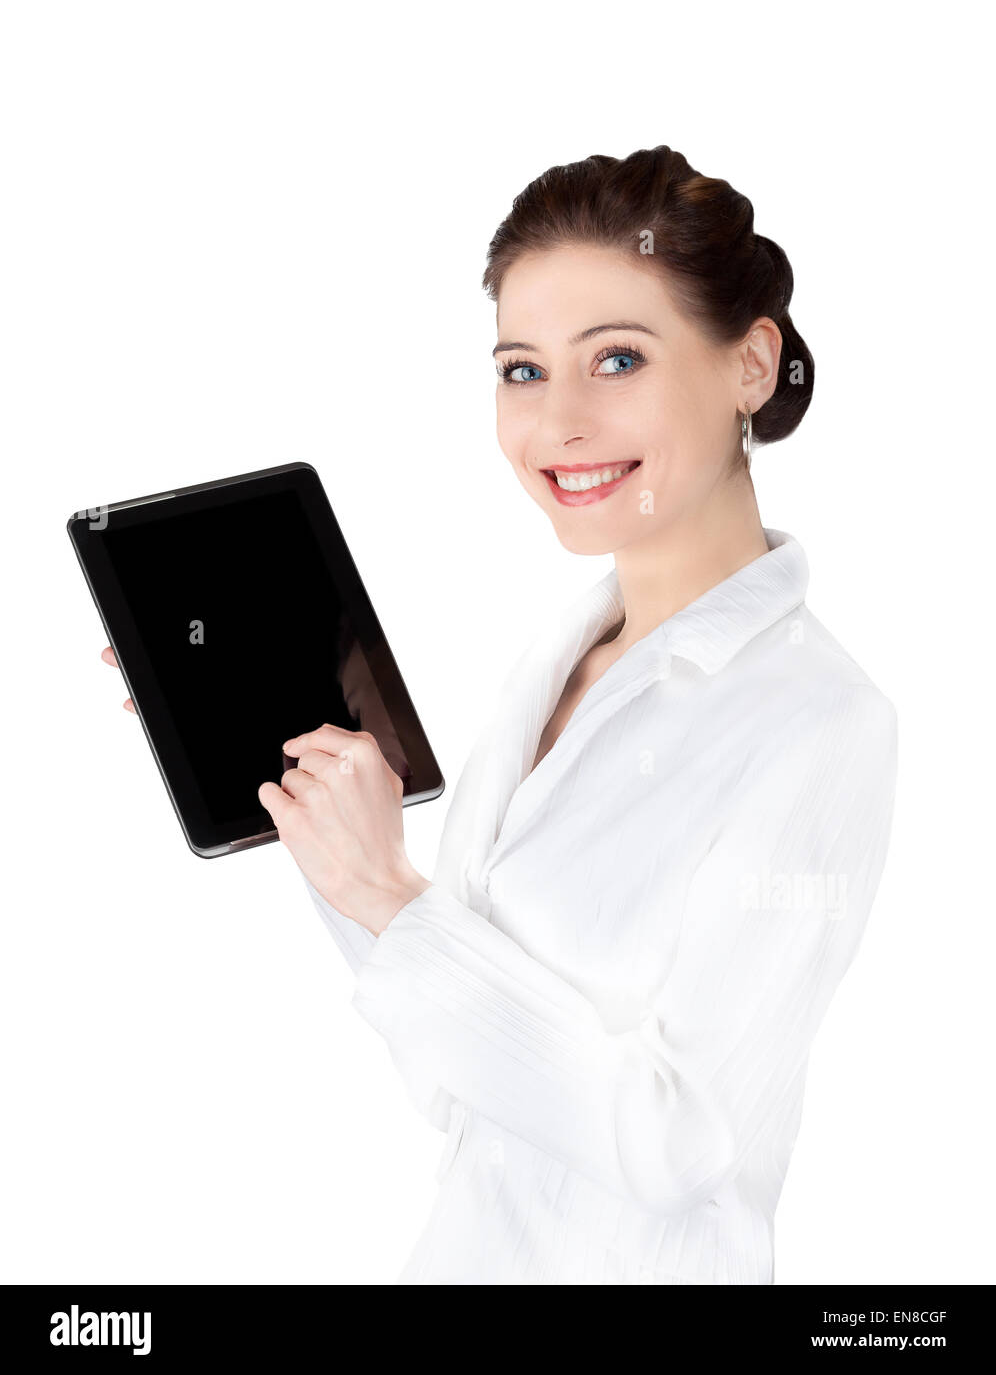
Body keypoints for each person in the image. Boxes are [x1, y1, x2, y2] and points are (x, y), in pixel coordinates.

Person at [104, 145, 899, 1285]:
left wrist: (389, 889)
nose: (558, 422)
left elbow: (677, 1143)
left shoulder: (824, 725)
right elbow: (457, 1081)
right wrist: (327, 826)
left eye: (615, 357)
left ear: (751, 363)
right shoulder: (560, 662)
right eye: (521, 370)